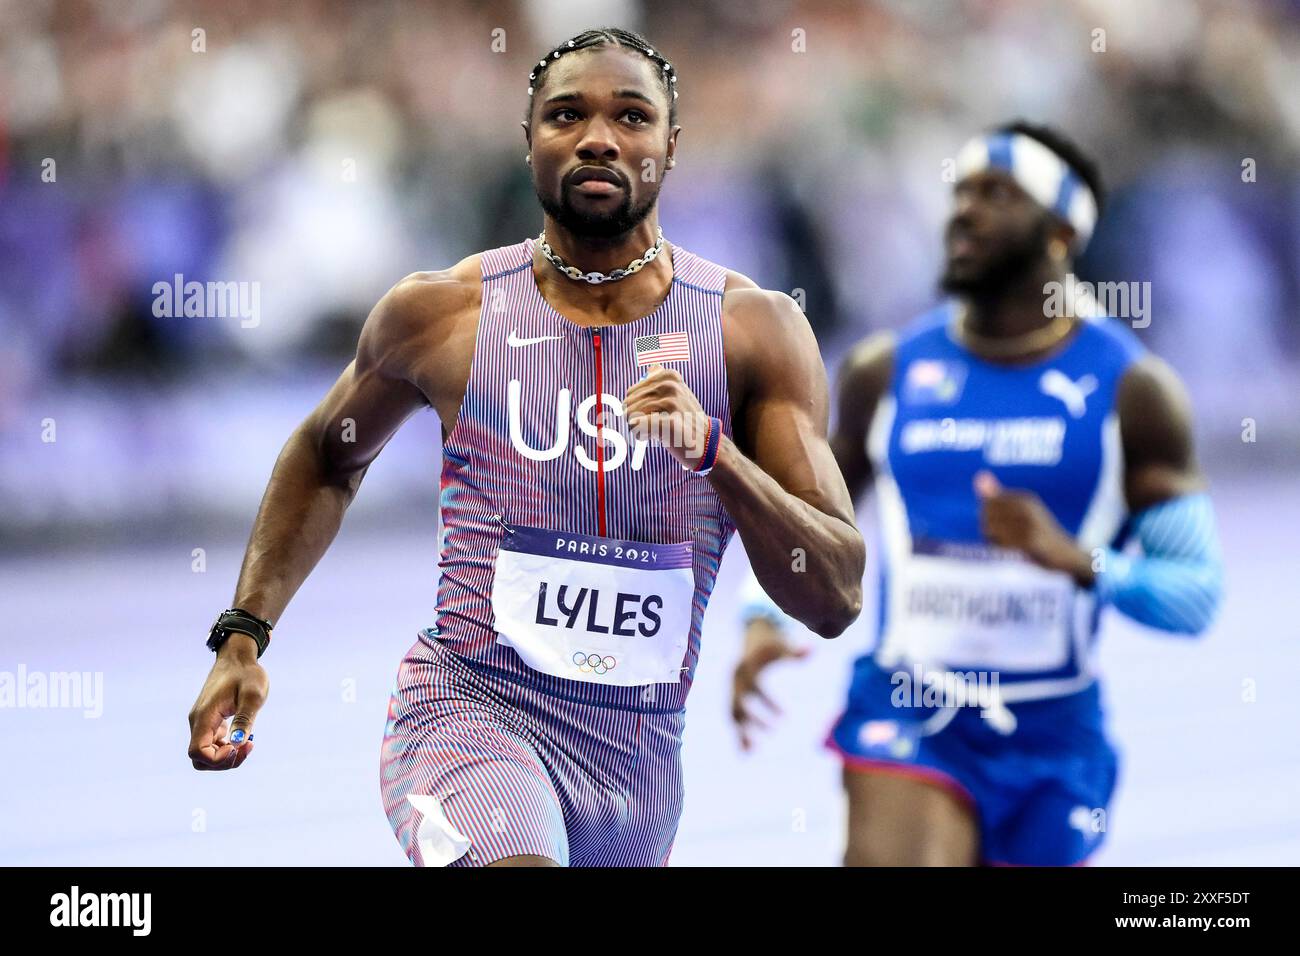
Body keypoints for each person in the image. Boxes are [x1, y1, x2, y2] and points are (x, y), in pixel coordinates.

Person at [186, 27, 864, 867]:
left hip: (639, 767)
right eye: (567, 115)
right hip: (467, 715)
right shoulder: (440, 315)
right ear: (530, 139)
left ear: (670, 146)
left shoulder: (752, 334)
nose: (598, 138)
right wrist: (243, 635)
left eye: (631, 116)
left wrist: (716, 455)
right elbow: (328, 454)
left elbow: (833, 595)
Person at [732, 122, 1224, 866]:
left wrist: (1080, 561)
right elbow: (800, 522)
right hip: (909, 708)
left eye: (996, 194)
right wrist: (767, 621)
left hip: (1052, 736)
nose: (964, 210)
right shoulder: (883, 373)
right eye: (959, 191)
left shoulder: (1134, 391)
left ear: (1061, 230)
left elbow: (1196, 595)